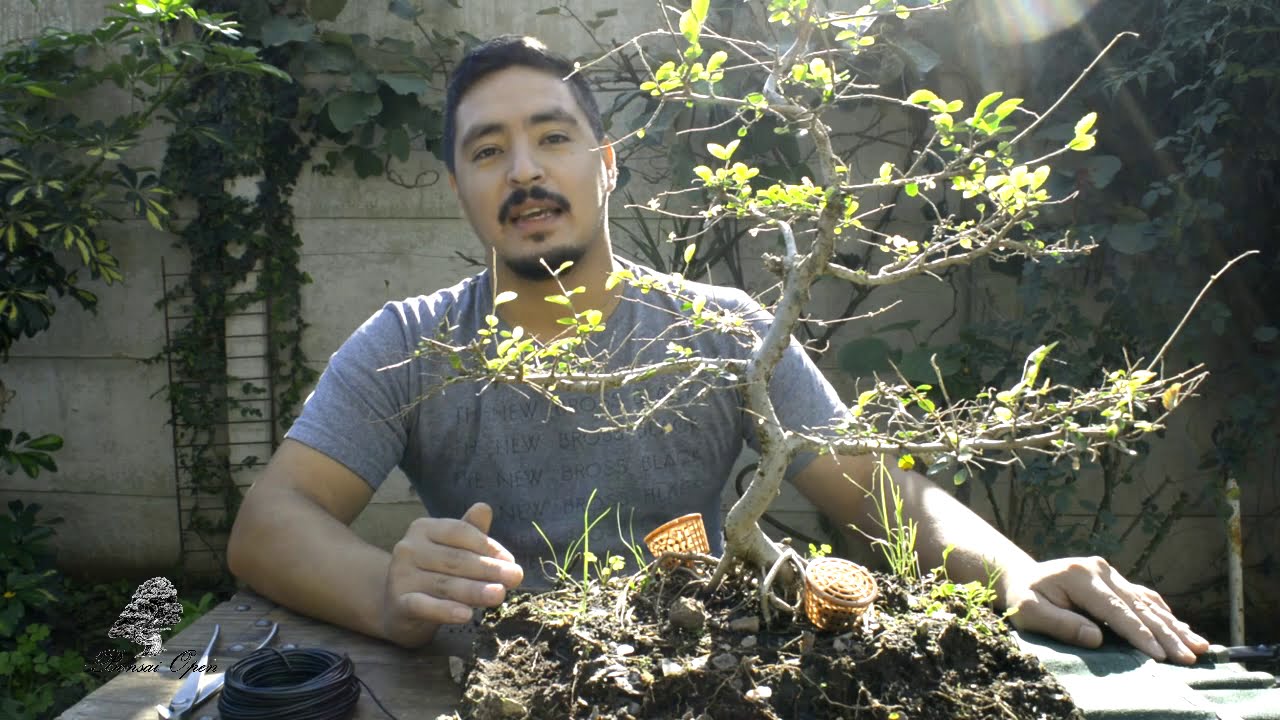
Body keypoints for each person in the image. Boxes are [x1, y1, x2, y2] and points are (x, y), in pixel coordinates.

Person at [226, 35, 1210, 664]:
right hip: (501, 682)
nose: (522, 170)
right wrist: (384, 592)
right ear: (458, 186)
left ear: (605, 166)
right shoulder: (412, 343)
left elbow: (878, 495)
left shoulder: (721, 328)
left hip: (707, 669)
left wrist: (1013, 572)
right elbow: (270, 523)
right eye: (486, 150)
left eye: (551, 138)